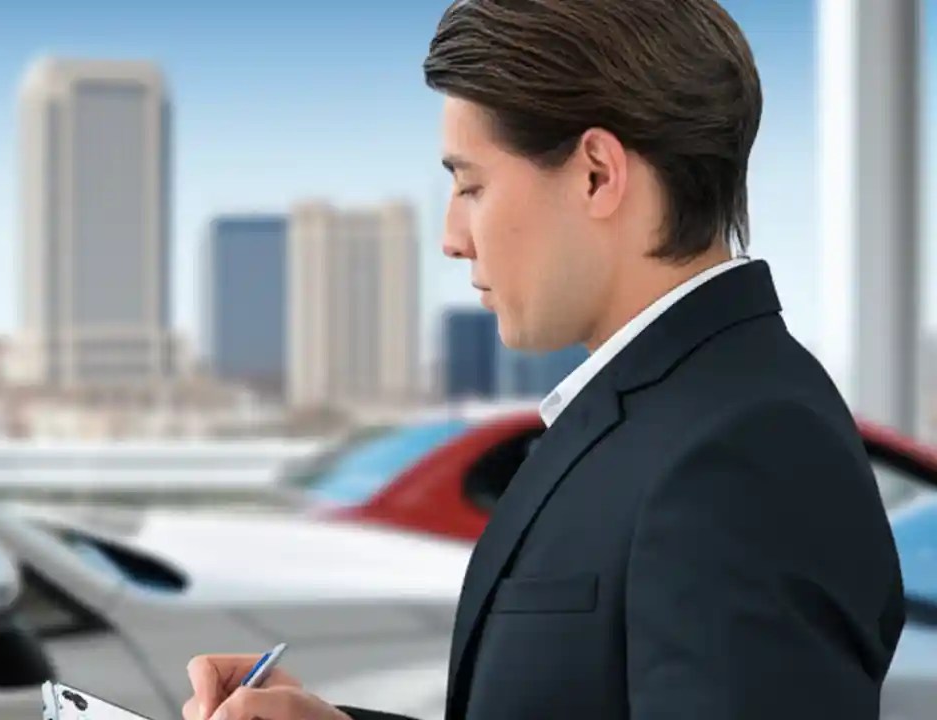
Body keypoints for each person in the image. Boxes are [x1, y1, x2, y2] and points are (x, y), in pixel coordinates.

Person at [183, 0, 906, 718]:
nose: (453, 236)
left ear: (595, 173)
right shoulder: (658, 415)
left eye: (471, 186)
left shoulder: (749, 450)